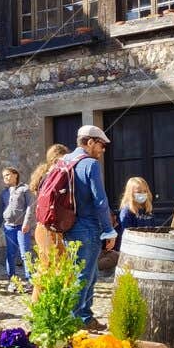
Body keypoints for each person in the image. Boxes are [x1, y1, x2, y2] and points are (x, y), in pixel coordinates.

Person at [57, 125, 118, 328]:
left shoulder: (64, 161)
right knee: (84, 275)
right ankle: (76, 320)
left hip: (69, 226)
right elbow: (100, 201)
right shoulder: (90, 164)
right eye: (101, 144)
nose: (103, 149)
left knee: (84, 273)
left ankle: (85, 316)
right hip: (88, 226)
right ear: (90, 142)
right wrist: (109, 230)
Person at [0, 166, 32, 290]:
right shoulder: (4, 193)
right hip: (8, 227)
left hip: (22, 227)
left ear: (15, 175)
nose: (6, 178)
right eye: (4, 176)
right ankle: (12, 280)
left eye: (8, 175)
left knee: (25, 253)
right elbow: (0, 211)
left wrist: (26, 222)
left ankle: (30, 281)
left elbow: (29, 207)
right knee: (10, 254)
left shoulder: (24, 189)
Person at [29, 143, 68, 262]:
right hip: (51, 226)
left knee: (47, 266)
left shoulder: (43, 175)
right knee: (58, 266)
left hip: (41, 225)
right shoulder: (55, 176)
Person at [117, 176, 156, 246]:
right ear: (130, 193)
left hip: (148, 245)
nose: (143, 194)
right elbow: (126, 233)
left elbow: (153, 229)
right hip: (134, 247)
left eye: (145, 191)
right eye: (139, 192)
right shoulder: (126, 211)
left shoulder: (148, 210)